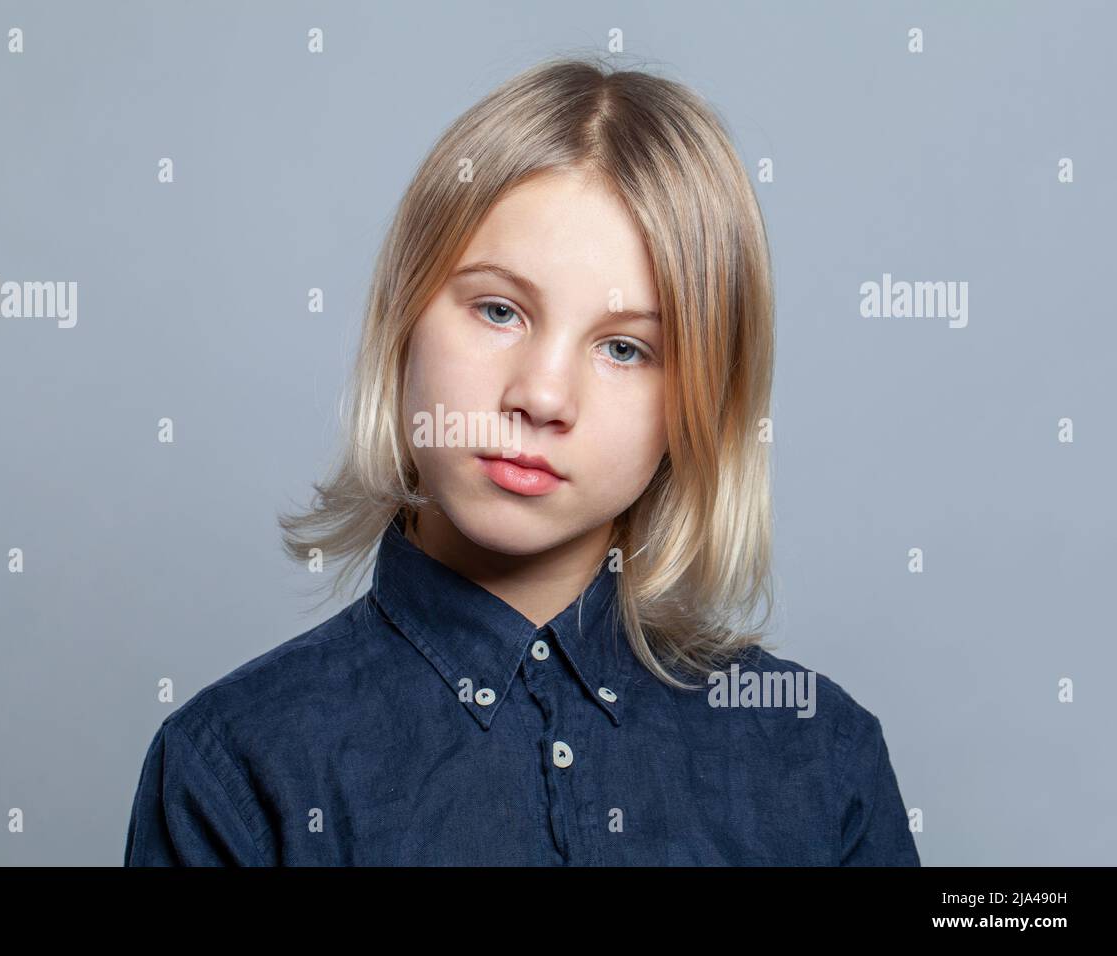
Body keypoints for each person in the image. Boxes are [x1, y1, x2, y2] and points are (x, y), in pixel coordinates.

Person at [124, 54, 920, 866]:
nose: (542, 397)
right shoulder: (236, 768)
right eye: (499, 310)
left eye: (624, 348)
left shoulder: (822, 759)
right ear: (403, 320)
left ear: (700, 405)